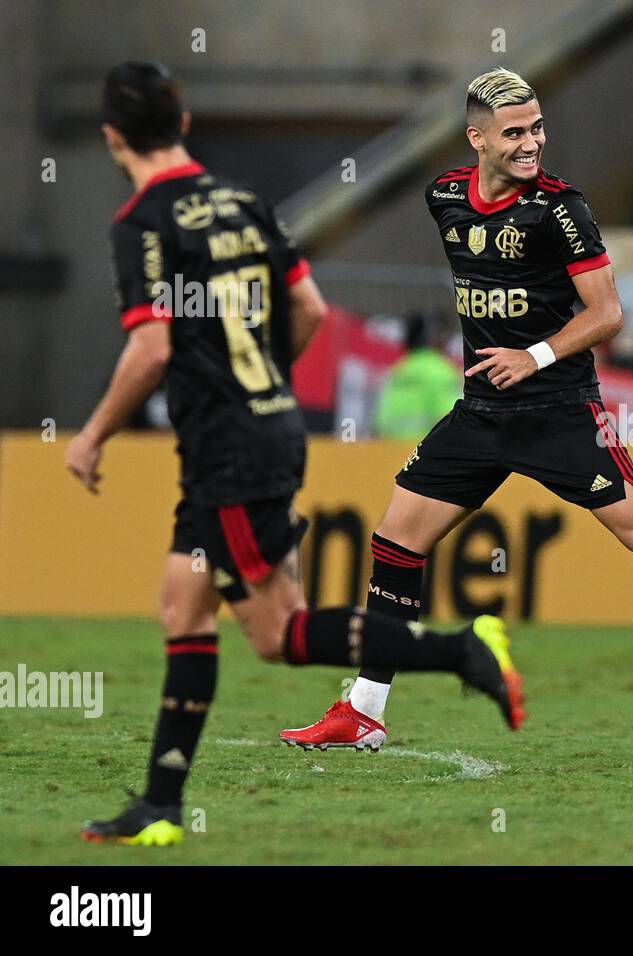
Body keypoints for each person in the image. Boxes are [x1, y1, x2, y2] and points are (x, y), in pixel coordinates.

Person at [281, 67, 633, 751]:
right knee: (397, 538)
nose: (532, 144)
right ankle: (366, 711)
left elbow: (608, 313)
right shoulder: (444, 198)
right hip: (481, 412)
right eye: (515, 133)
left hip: (558, 410)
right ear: (477, 139)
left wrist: (535, 357)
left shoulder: (562, 209)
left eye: (538, 129)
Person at [67, 62, 524, 846]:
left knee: (279, 636)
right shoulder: (243, 202)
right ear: (181, 121)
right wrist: (266, 382)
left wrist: (92, 433)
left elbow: (148, 351)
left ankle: (461, 651)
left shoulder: (142, 221)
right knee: (184, 603)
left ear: (113, 137)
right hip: (262, 429)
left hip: (228, 448)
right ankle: (162, 807)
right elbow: (310, 308)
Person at [373, 312, 462, 440]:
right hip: (424, 450)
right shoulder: (441, 370)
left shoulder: (399, 369)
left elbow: (380, 420)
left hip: (389, 449)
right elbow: (452, 418)